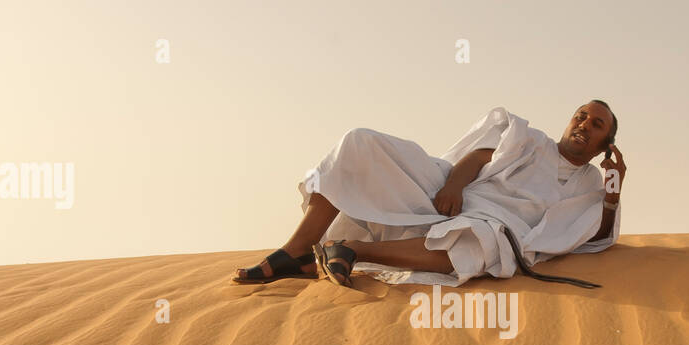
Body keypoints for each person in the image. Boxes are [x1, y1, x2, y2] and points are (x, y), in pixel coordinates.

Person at [232, 101, 626, 288]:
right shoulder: (533, 142)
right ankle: (297, 249)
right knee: (361, 143)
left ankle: (351, 250)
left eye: (596, 125)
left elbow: (595, 234)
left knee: (479, 242)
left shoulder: (591, 184)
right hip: (450, 192)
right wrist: (453, 184)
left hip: (493, 225)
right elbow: (481, 156)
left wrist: (612, 190)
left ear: (604, 144)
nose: (583, 126)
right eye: (580, 116)